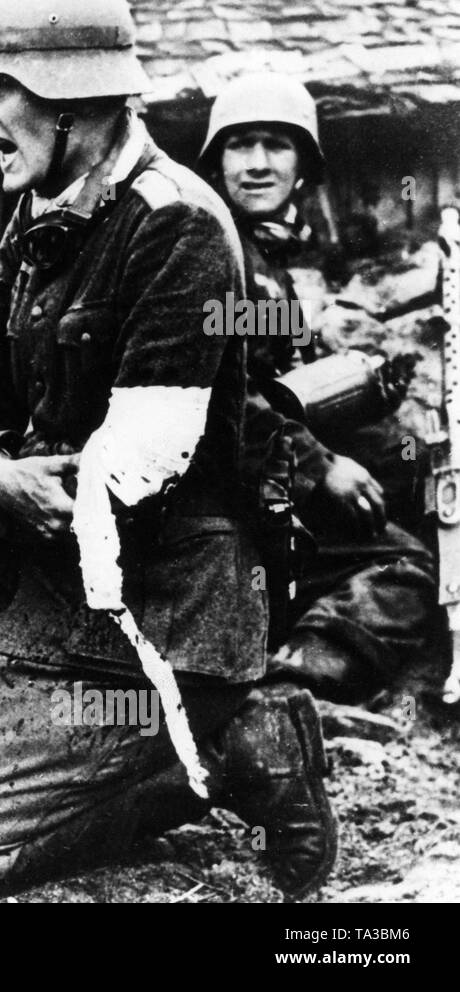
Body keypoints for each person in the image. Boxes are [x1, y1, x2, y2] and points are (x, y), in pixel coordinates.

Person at [0, 0, 336, 902]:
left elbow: (141, 467)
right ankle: (18, 760)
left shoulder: (180, 224)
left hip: (149, 616)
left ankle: (234, 741)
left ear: (69, 100)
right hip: (38, 562)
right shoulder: (44, 209)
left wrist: (26, 488)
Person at [198, 73, 436, 702]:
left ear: (304, 164)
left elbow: (275, 378)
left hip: (263, 466)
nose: (256, 164)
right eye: (239, 145)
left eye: (276, 145)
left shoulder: (270, 256)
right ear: (215, 162)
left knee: (415, 472)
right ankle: (298, 680)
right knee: (405, 567)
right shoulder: (209, 251)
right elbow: (214, 397)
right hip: (225, 492)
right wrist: (322, 465)